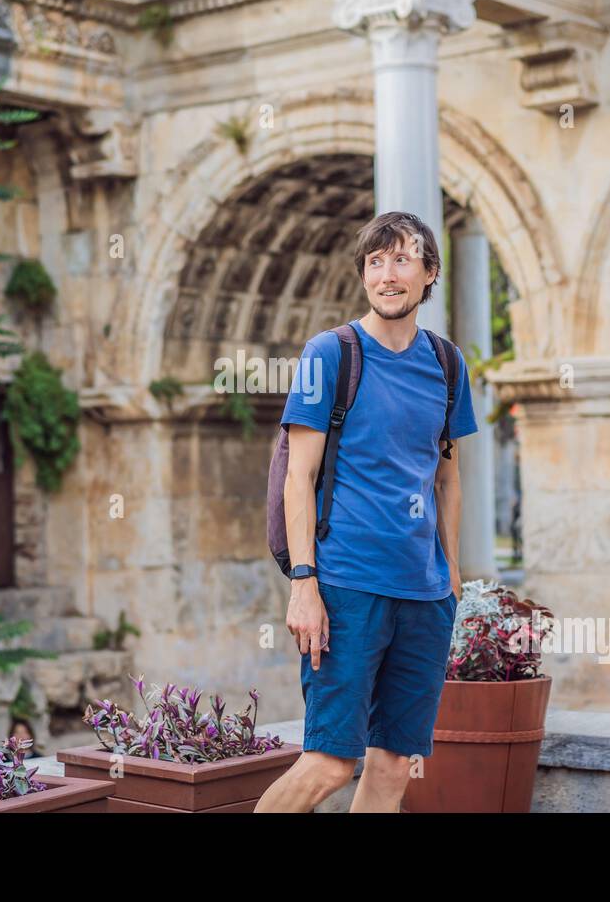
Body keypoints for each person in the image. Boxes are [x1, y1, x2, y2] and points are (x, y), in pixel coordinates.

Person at [254, 210, 477, 813]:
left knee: (393, 764)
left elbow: (447, 476)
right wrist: (305, 584)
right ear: (363, 277)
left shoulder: (448, 365)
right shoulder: (331, 354)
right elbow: (297, 479)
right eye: (375, 262)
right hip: (347, 587)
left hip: (424, 594)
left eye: (402, 259)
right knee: (329, 761)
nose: (387, 274)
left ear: (429, 274)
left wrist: (452, 572)